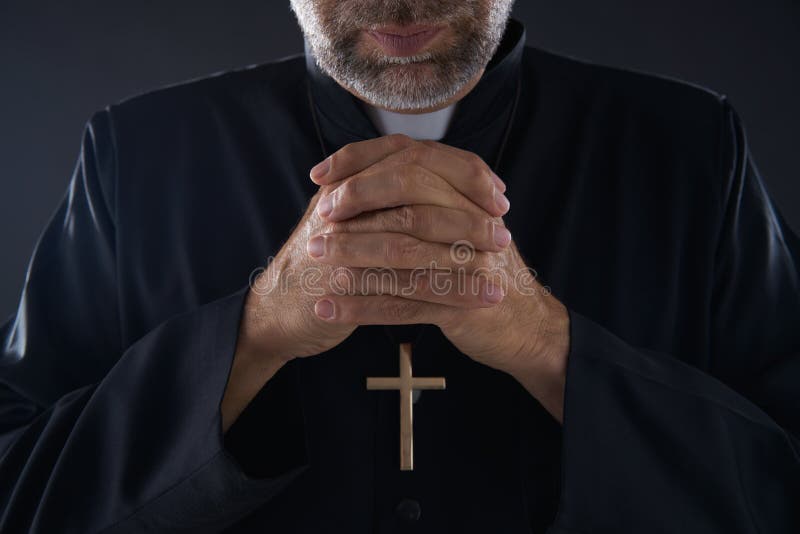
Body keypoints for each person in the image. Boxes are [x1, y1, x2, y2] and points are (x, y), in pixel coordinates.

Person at [1, 0, 798, 532]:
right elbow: (18, 491)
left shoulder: (691, 147)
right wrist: (252, 337)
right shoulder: (136, 154)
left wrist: (547, 345)